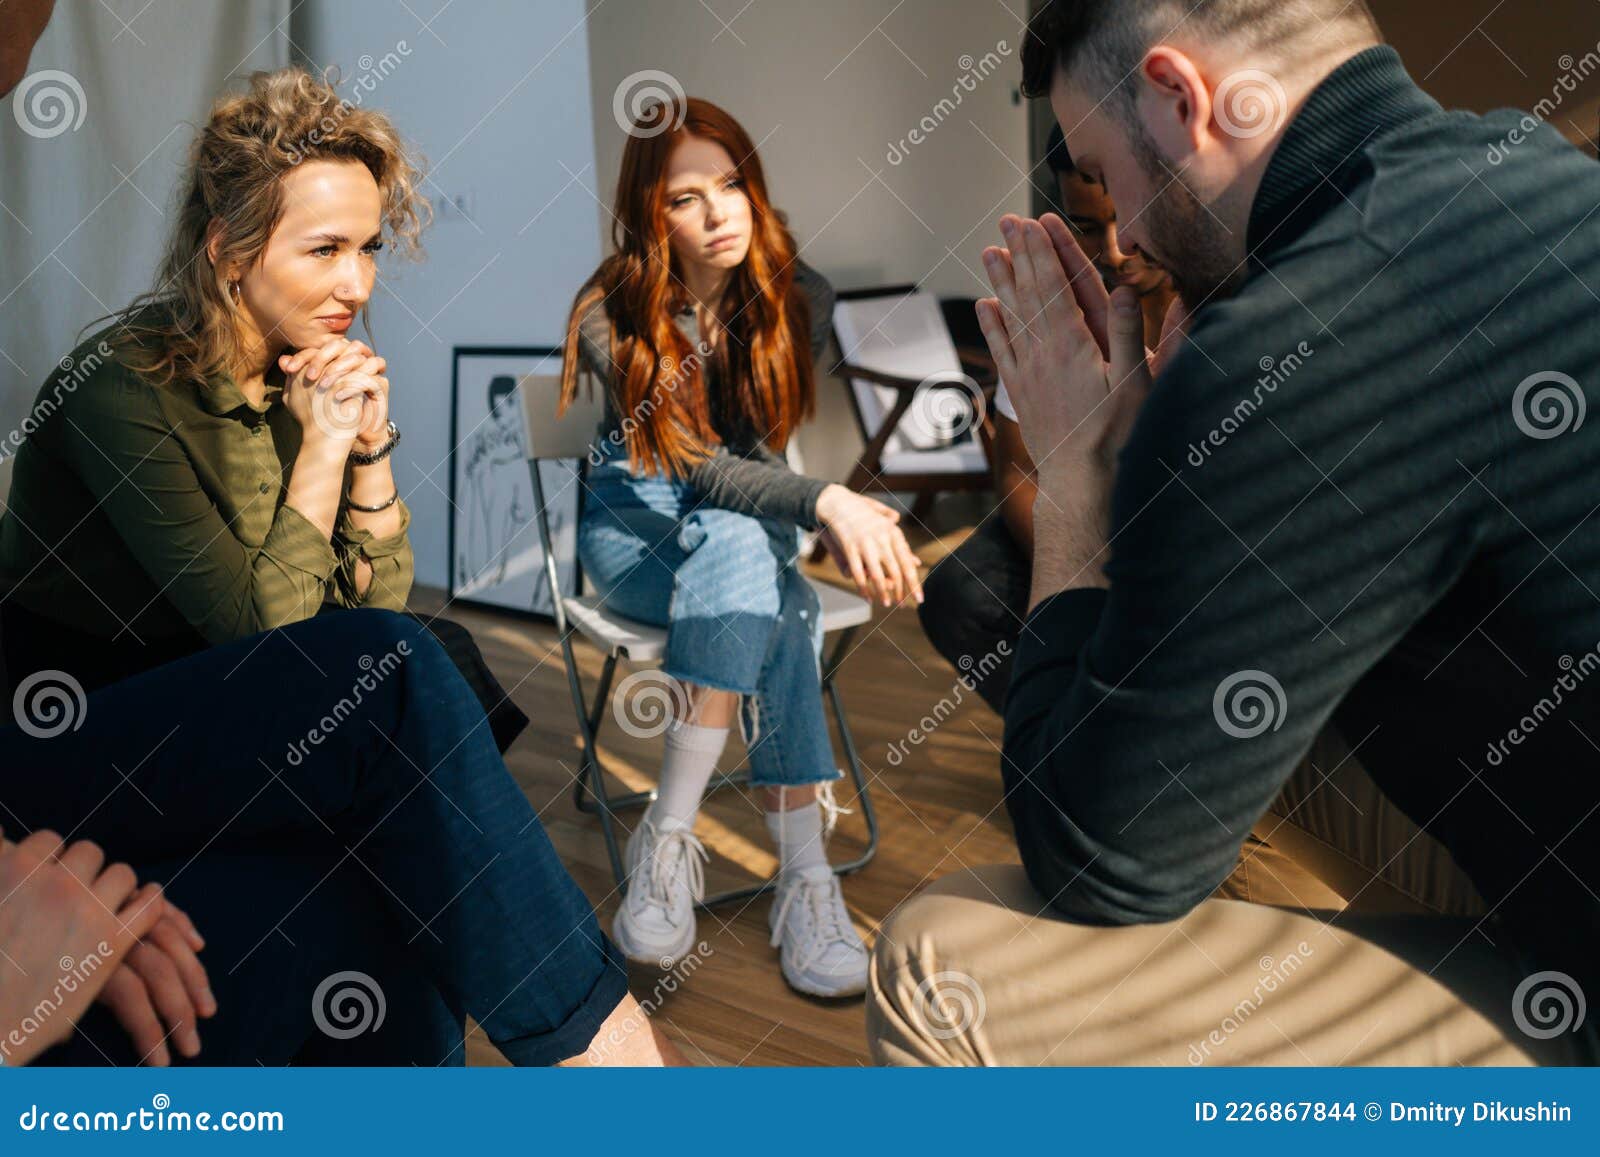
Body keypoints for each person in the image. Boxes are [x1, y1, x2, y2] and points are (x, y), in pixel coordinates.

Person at [870, 0, 1600, 1065]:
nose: (1116, 228)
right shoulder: (1537, 168)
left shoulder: (1318, 323)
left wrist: (1080, 469)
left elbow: (1095, 856)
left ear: (1177, 99)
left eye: (1102, 168)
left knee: (940, 962)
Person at [0, 66, 527, 753]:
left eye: (368, 249)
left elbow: (373, 610)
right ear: (228, 250)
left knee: (425, 652)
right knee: (422, 670)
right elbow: (263, 636)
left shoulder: (302, 364)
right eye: (325, 250)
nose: (359, 285)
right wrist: (323, 450)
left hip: (220, 659)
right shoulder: (120, 387)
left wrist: (367, 450)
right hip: (93, 700)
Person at [562, 96, 923, 998]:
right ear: (651, 212)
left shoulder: (798, 296)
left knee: (758, 567)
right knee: (773, 581)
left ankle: (671, 836)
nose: (718, 211)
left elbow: (746, 466)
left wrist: (809, 501)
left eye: (730, 185)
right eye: (686, 197)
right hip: (634, 531)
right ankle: (802, 876)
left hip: (736, 531)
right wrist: (830, 499)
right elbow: (690, 467)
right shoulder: (614, 308)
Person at [2, 609, 684, 1067]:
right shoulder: (127, 403)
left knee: (389, 866)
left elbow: (356, 588)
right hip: (76, 699)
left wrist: (367, 464)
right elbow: (258, 606)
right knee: (394, 672)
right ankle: (622, 1074)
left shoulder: (273, 414)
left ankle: (613, 1067)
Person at [918, 125, 1176, 714]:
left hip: (1185, 536)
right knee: (961, 592)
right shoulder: (1054, 323)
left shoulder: (1232, 305)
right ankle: (1065, 746)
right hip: (1080, 523)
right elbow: (1019, 475)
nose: (1113, 251)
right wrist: (1084, 576)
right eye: (1088, 226)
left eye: (1130, 215)